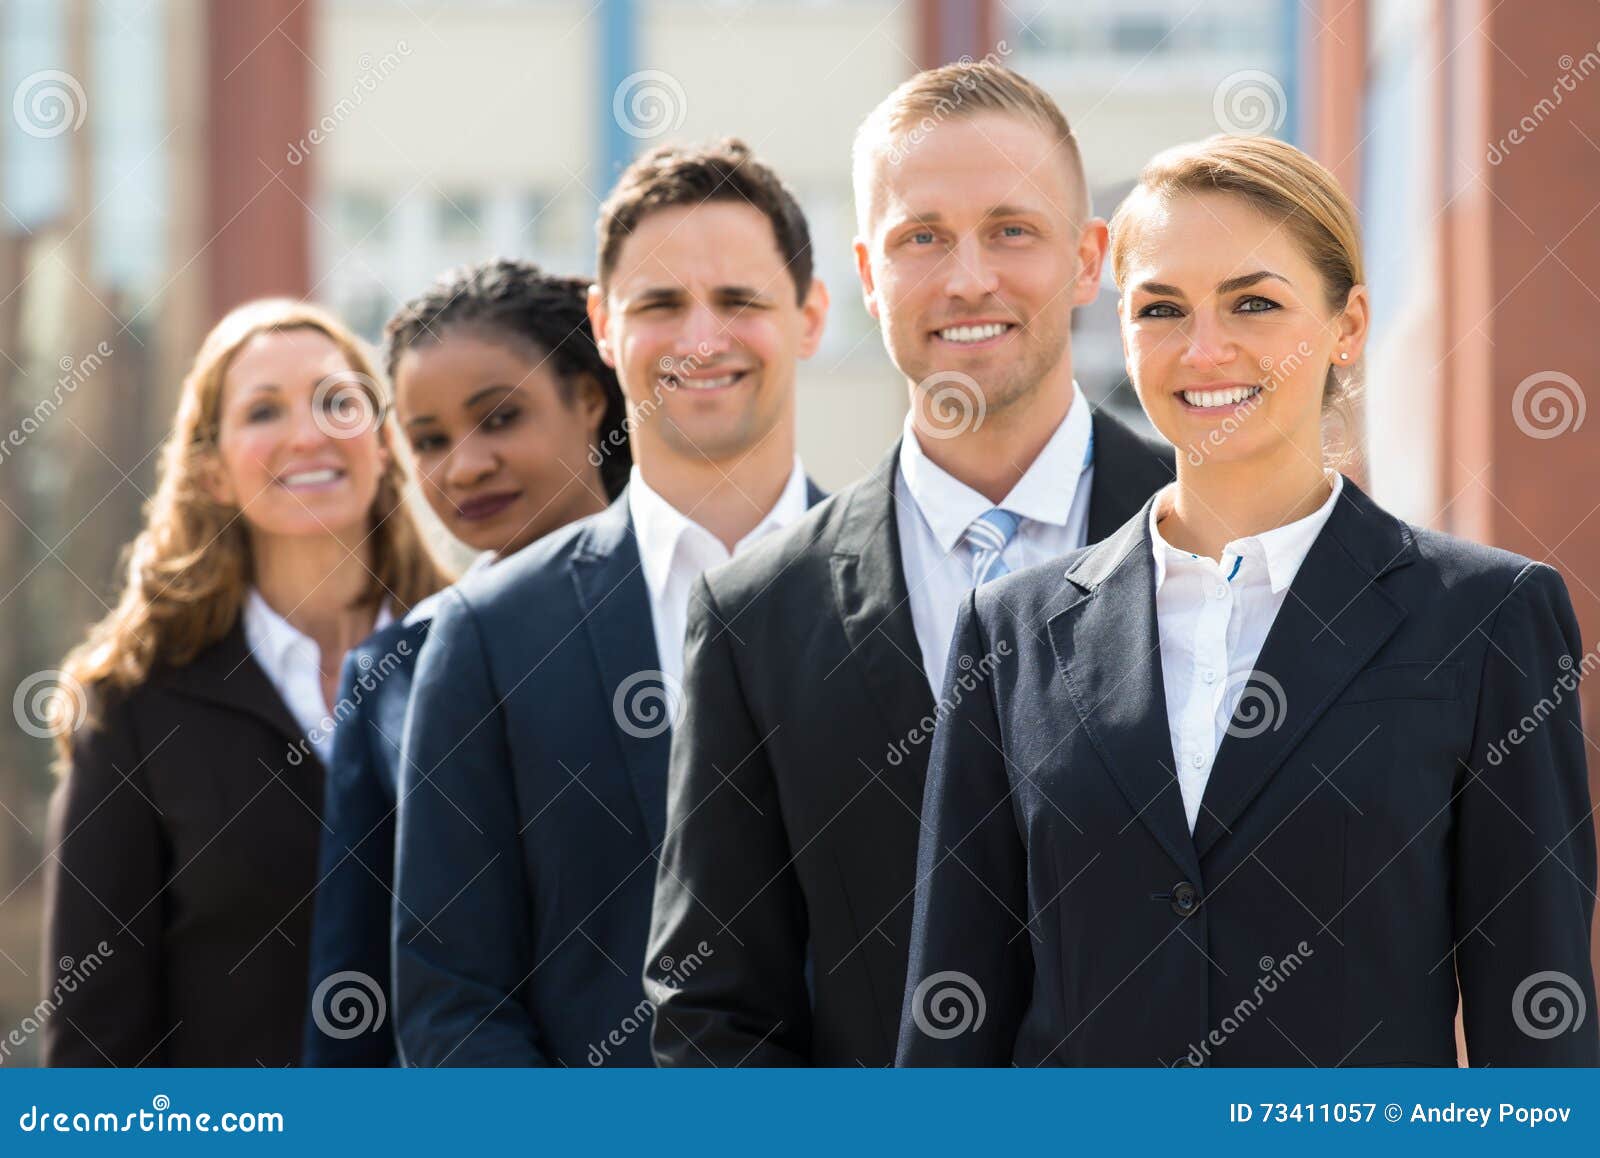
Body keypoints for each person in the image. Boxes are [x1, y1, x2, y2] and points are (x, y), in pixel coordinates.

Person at [897, 133, 1599, 1067]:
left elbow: (1540, 1027)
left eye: (1254, 303)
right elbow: (953, 1020)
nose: (1205, 349)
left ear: (1348, 325)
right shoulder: (1011, 633)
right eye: (1161, 309)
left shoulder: (1486, 619)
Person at [646, 62, 1173, 1067]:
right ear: (867, 274)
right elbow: (712, 1008)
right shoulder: (756, 617)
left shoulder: (1223, 540)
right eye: (921, 237)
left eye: (1011, 230)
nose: (968, 278)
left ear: (1086, 261)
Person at [392, 139, 830, 1066]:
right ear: (601, 323)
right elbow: (453, 1000)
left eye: (740, 300)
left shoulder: (927, 595)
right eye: (661, 304)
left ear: (810, 317)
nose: (701, 339)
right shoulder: (489, 637)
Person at [42, 299, 448, 1066]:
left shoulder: (478, 653)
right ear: (213, 473)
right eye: (264, 411)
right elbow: (95, 1043)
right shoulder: (132, 704)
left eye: (337, 401)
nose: (308, 434)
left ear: (383, 441)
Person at [301, 259, 630, 1065]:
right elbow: (354, 986)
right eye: (430, 441)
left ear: (590, 399)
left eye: (501, 418)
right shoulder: (392, 675)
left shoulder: (717, 609)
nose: (464, 467)